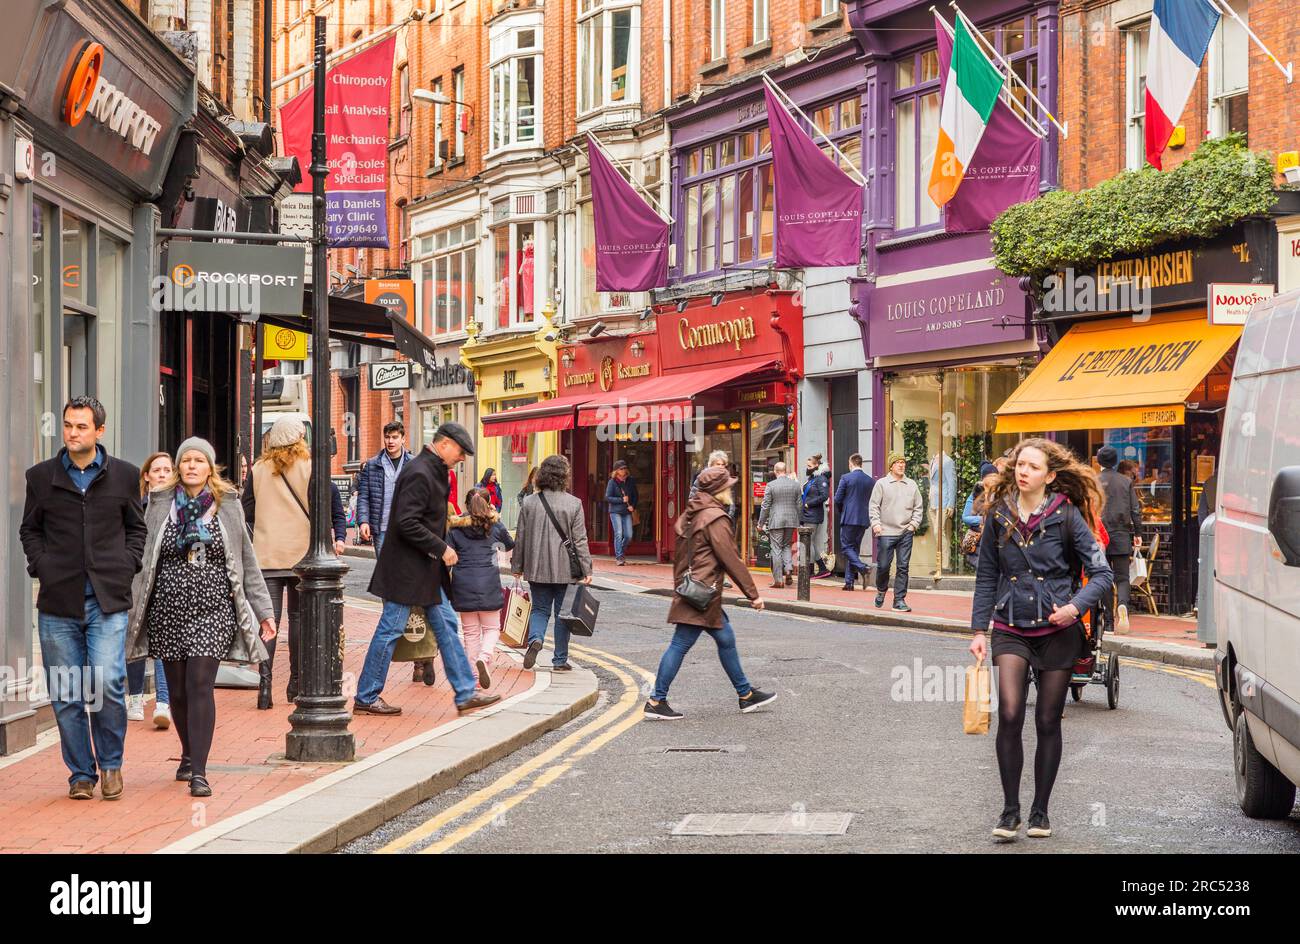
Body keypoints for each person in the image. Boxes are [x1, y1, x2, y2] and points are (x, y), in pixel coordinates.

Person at [969, 438, 1113, 843]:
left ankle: (1040, 810)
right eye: (1020, 465)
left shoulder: (1067, 516)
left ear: (1050, 476)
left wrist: (1074, 608)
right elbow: (985, 576)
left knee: (1048, 720)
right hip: (1011, 626)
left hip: (1057, 631)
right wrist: (979, 631)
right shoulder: (999, 514)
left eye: (1033, 466)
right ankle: (1010, 809)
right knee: (1010, 713)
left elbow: (1100, 574)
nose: (1023, 471)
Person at [126, 438, 277, 798]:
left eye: (199, 460)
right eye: (186, 461)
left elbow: (247, 561)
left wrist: (264, 612)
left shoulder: (228, 506)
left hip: (214, 611)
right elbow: (144, 560)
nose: (192, 466)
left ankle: (200, 771)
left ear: (210, 468)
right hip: (168, 609)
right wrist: (129, 608)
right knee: (176, 691)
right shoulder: (161, 504)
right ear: (179, 468)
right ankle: (188, 751)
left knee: (199, 685)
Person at [19, 397, 147, 801]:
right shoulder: (41, 477)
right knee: (67, 691)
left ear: (99, 432)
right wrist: (42, 566)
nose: (72, 433)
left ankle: (111, 765)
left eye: (80, 427)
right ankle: (80, 773)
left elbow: (136, 530)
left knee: (107, 681)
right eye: (68, 425)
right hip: (58, 603)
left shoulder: (125, 476)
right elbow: (30, 530)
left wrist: (126, 565)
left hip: (107, 601)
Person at [355, 422, 498, 716]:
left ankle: (465, 693)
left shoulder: (431, 470)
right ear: (444, 444)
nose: (462, 458)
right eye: (460, 452)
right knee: (391, 629)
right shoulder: (420, 472)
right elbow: (407, 522)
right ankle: (366, 696)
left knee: (446, 625)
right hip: (407, 569)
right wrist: (442, 548)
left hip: (424, 570)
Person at [644, 466, 778, 720]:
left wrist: (681, 586)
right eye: (727, 486)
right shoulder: (715, 518)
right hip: (702, 595)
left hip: (695, 590)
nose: (731, 489)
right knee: (680, 644)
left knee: (725, 638)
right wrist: (753, 595)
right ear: (718, 490)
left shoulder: (691, 514)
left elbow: (681, 558)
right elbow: (731, 559)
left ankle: (746, 694)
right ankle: (656, 700)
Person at [241, 416, 348, 708]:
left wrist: (262, 530)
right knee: (299, 621)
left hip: (267, 557)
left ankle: (265, 687)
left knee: (269, 623)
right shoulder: (312, 468)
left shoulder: (258, 469)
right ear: (301, 439)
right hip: (302, 557)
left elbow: (245, 512)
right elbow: (322, 509)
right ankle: (296, 683)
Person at [511, 455, 593, 672]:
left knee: (539, 610)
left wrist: (517, 567)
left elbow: (521, 537)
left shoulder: (529, 503)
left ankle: (535, 640)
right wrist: (587, 568)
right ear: (564, 476)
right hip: (566, 569)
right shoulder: (574, 504)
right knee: (562, 615)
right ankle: (559, 660)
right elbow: (580, 540)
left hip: (536, 568)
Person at [448, 488, 516, 690]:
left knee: (470, 634)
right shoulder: (494, 525)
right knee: (492, 629)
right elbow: (510, 543)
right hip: (488, 581)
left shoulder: (455, 528)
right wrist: (494, 516)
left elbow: (447, 553)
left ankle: (474, 678)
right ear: (489, 504)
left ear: (467, 505)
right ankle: (484, 657)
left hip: (463, 583)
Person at [127, 452, 174, 730]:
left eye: (167, 470)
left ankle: (163, 703)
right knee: (135, 637)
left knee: (162, 642)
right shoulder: (136, 505)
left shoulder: (179, 507)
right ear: (146, 475)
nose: (162, 474)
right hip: (137, 579)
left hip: (165, 581)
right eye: (156, 470)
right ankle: (134, 697)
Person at [1096, 445, 1143, 634]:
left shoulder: (1093, 481)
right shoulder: (1125, 481)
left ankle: (1108, 621)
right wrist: (1138, 533)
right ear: (1115, 461)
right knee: (1122, 578)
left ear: (1099, 461)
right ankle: (1122, 606)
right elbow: (1135, 509)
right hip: (1122, 534)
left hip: (1099, 536)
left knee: (1104, 577)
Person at [869, 453, 923, 611]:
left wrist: (913, 525)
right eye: (898, 463)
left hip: (906, 532)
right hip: (885, 531)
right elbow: (874, 506)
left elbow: (918, 507)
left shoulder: (912, 484)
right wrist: (876, 524)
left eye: (903, 462)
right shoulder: (882, 484)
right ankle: (881, 590)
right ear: (891, 466)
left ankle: (899, 600)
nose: (901, 465)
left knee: (903, 567)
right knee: (883, 566)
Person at [357, 421, 414, 552]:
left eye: (395, 437)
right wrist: (364, 521)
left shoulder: (413, 464)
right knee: (385, 570)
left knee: (405, 570)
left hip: (407, 529)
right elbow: (363, 496)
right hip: (381, 529)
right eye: (387, 437)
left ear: (403, 439)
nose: (390, 441)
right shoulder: (372, 465)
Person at [834, 453, 876, 592]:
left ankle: (863, 568)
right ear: (861, 464)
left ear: (851, 463)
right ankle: (849, 582)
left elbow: (837, 499)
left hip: (849, 518)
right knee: (853, 550)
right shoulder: (870, 481)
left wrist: (843, 511)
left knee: (846, 548)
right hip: (863, 519)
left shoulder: (846, 478)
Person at [758, 462, 801, 588]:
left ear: (776, 471)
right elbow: (799, 505)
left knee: (776, 549)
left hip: (776, 520)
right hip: (791, 520)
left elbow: (765, 506)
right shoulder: (795, 485)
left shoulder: (771, 485)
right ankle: (788, 570)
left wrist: (761, 523)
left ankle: (778, 580)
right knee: (786, 545)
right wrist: (799, 521)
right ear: (785, 471)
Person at [961, 461, 1000, 572]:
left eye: (995, 476)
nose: (992, 480)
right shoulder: (975, 494)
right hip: (980, 539)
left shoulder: (1002, 492)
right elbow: (965, 517)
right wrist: (984, 519)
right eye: (989, 477)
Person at [801, 456, 832, 578]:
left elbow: (824, 496)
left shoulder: (821, 479)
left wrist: (809, 503)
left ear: (816, 466)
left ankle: (816, 569)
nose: (807, 468)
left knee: (809, 542)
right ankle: (819, 568)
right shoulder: (812, 479)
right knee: (809, 542)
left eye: (809, 466)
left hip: (813, 514)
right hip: (806, 514)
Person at [605, 459, 638, 565]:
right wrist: (621, 500)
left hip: (627, 511)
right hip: (615, 511)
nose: (624, 470)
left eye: (624, 468)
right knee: (618, 533)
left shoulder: (630, 480)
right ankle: (619, 557)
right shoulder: (612, 482)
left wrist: (633, 505)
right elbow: (608, 497)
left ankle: (621, 552)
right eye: (621, 468)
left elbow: (635, 495)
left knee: (628, 535)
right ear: (616, 471)